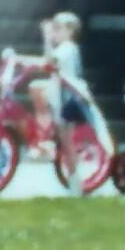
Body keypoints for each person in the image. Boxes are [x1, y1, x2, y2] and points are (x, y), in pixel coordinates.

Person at [41, 12, 89, 195]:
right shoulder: (65, 48)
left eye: (58, 28)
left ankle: (76, 182)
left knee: (67, 142)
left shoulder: (67, 48)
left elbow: (49, 61)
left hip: (67, 100)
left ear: (70, 31)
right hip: (61, 97)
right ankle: (72, 178)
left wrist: (46, 38)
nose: (54, 32)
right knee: (64, 141)